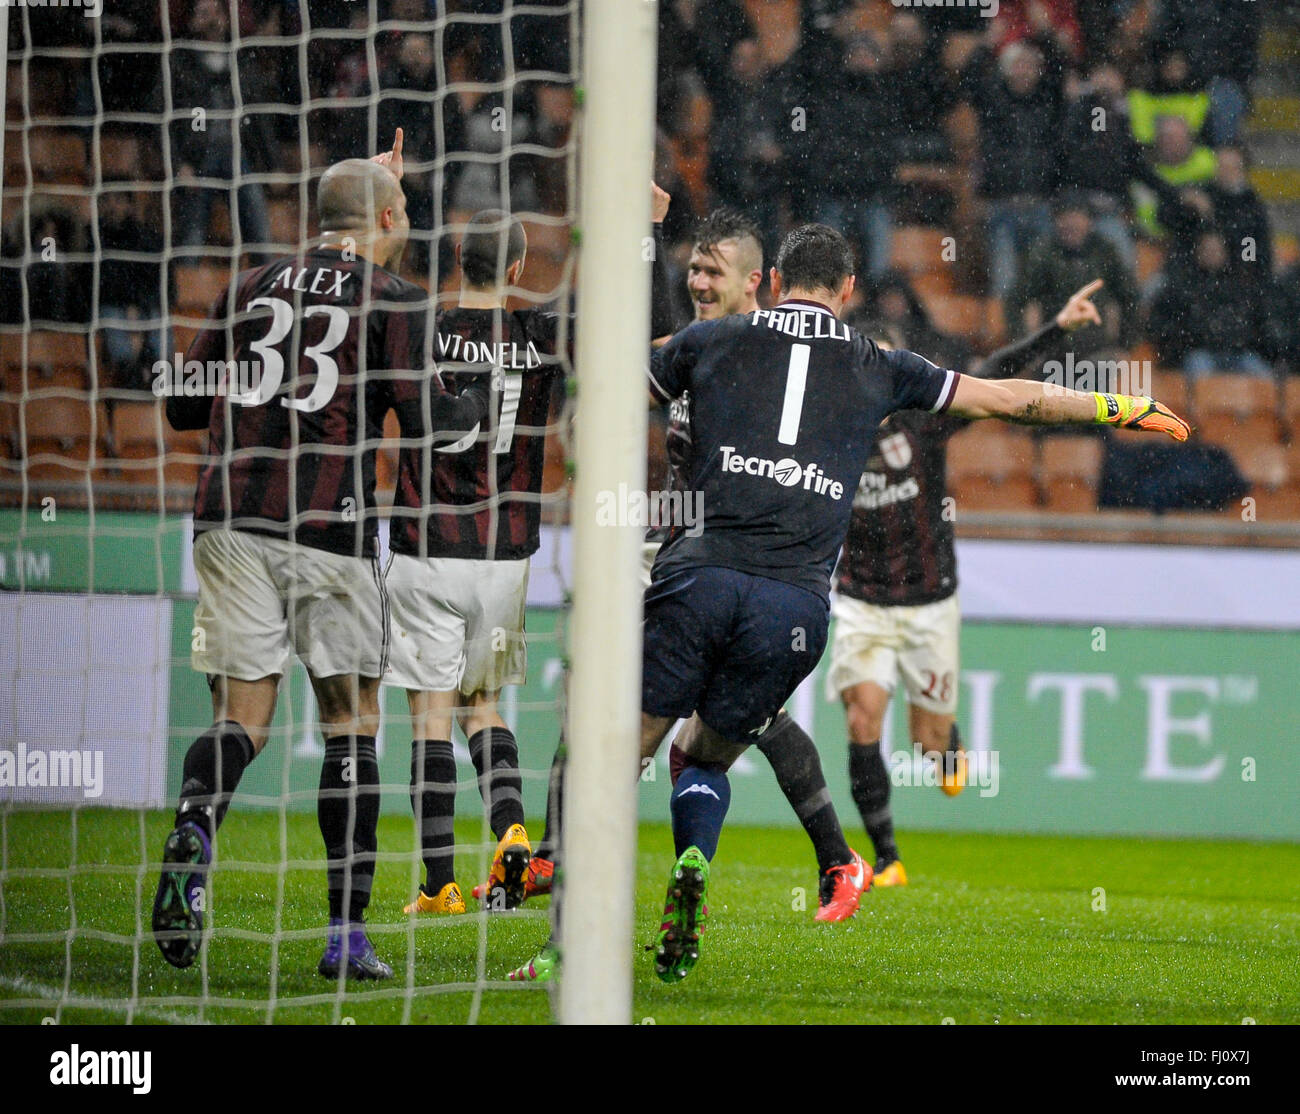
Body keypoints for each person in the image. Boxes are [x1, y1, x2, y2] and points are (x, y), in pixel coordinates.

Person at [638, 224, 1187, 983]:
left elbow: (615, 383)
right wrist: (1111, 408)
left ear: (773, 280)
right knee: (715, 749)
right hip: (797, 605)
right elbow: (1005, 397)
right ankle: (747, 855)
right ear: (849, 292)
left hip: (699, 576)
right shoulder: (879, 364)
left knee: (621, 754)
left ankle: (559, 903)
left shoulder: (717, 339)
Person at [151, 137, 491, 981]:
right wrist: (478, 397)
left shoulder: (247, 285)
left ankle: (193, 830)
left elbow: (184, 413)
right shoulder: (397, 298)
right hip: (325, 526)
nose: (406, 226)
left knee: (240, 721)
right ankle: (345, 937)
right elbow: (428, 427)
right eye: (401, 214)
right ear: (383, 220)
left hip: (228, 519)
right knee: (351, 722)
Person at [832, 280, 1107, 888]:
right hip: (861, 599)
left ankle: (946, 742)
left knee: (929, 748)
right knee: (863, 717)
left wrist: (1059, 326)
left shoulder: (926, 420)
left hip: (929, 600)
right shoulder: (831, 432)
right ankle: (887, 858)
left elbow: (996, 373)